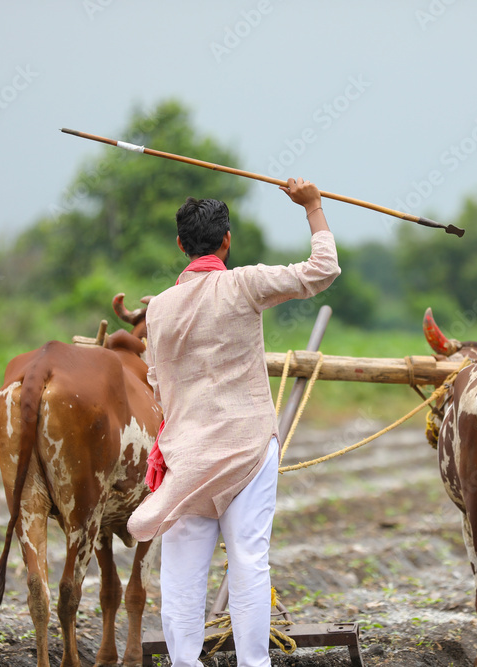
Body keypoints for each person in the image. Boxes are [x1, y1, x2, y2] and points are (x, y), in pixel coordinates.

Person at [127, 177, 340, 667]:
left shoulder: (156, 309)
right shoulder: (243, 283)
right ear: (227, 241)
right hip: (246, 450)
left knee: (180, 573)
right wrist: (312, 206)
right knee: (248, 560)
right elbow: (322, 269)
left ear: (180, 245)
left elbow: (157, 383)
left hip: (186, 460)